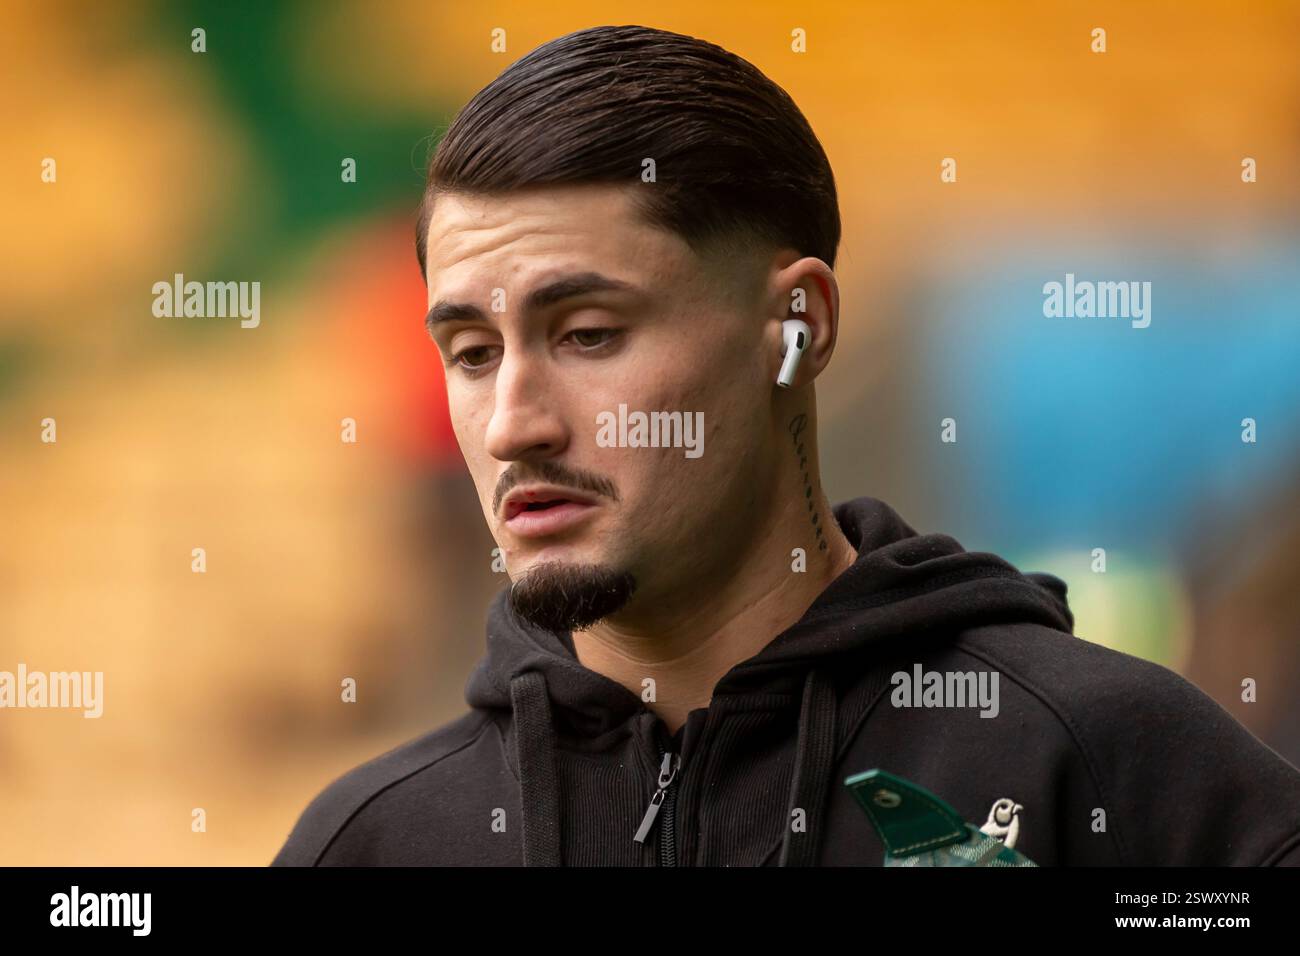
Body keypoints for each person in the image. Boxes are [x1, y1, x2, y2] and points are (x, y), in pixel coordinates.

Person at [271, 24, 1300, 866]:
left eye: (587, 334)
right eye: (471, 351)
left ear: (795, 324)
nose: (512, 423)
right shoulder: (370, 841)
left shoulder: (1115, 769)